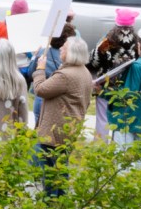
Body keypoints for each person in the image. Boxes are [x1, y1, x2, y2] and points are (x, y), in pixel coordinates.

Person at [33, 36, 95, 191]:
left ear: (72, 53)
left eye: (64, 47)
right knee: (60, 169)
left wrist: (40, 69)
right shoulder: (84, 72)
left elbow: (40, 89)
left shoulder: (65, 75)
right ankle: (60, 204)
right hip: (69, 128)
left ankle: (51, 205)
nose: (60, 48)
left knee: (51, 173)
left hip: (55, 130)